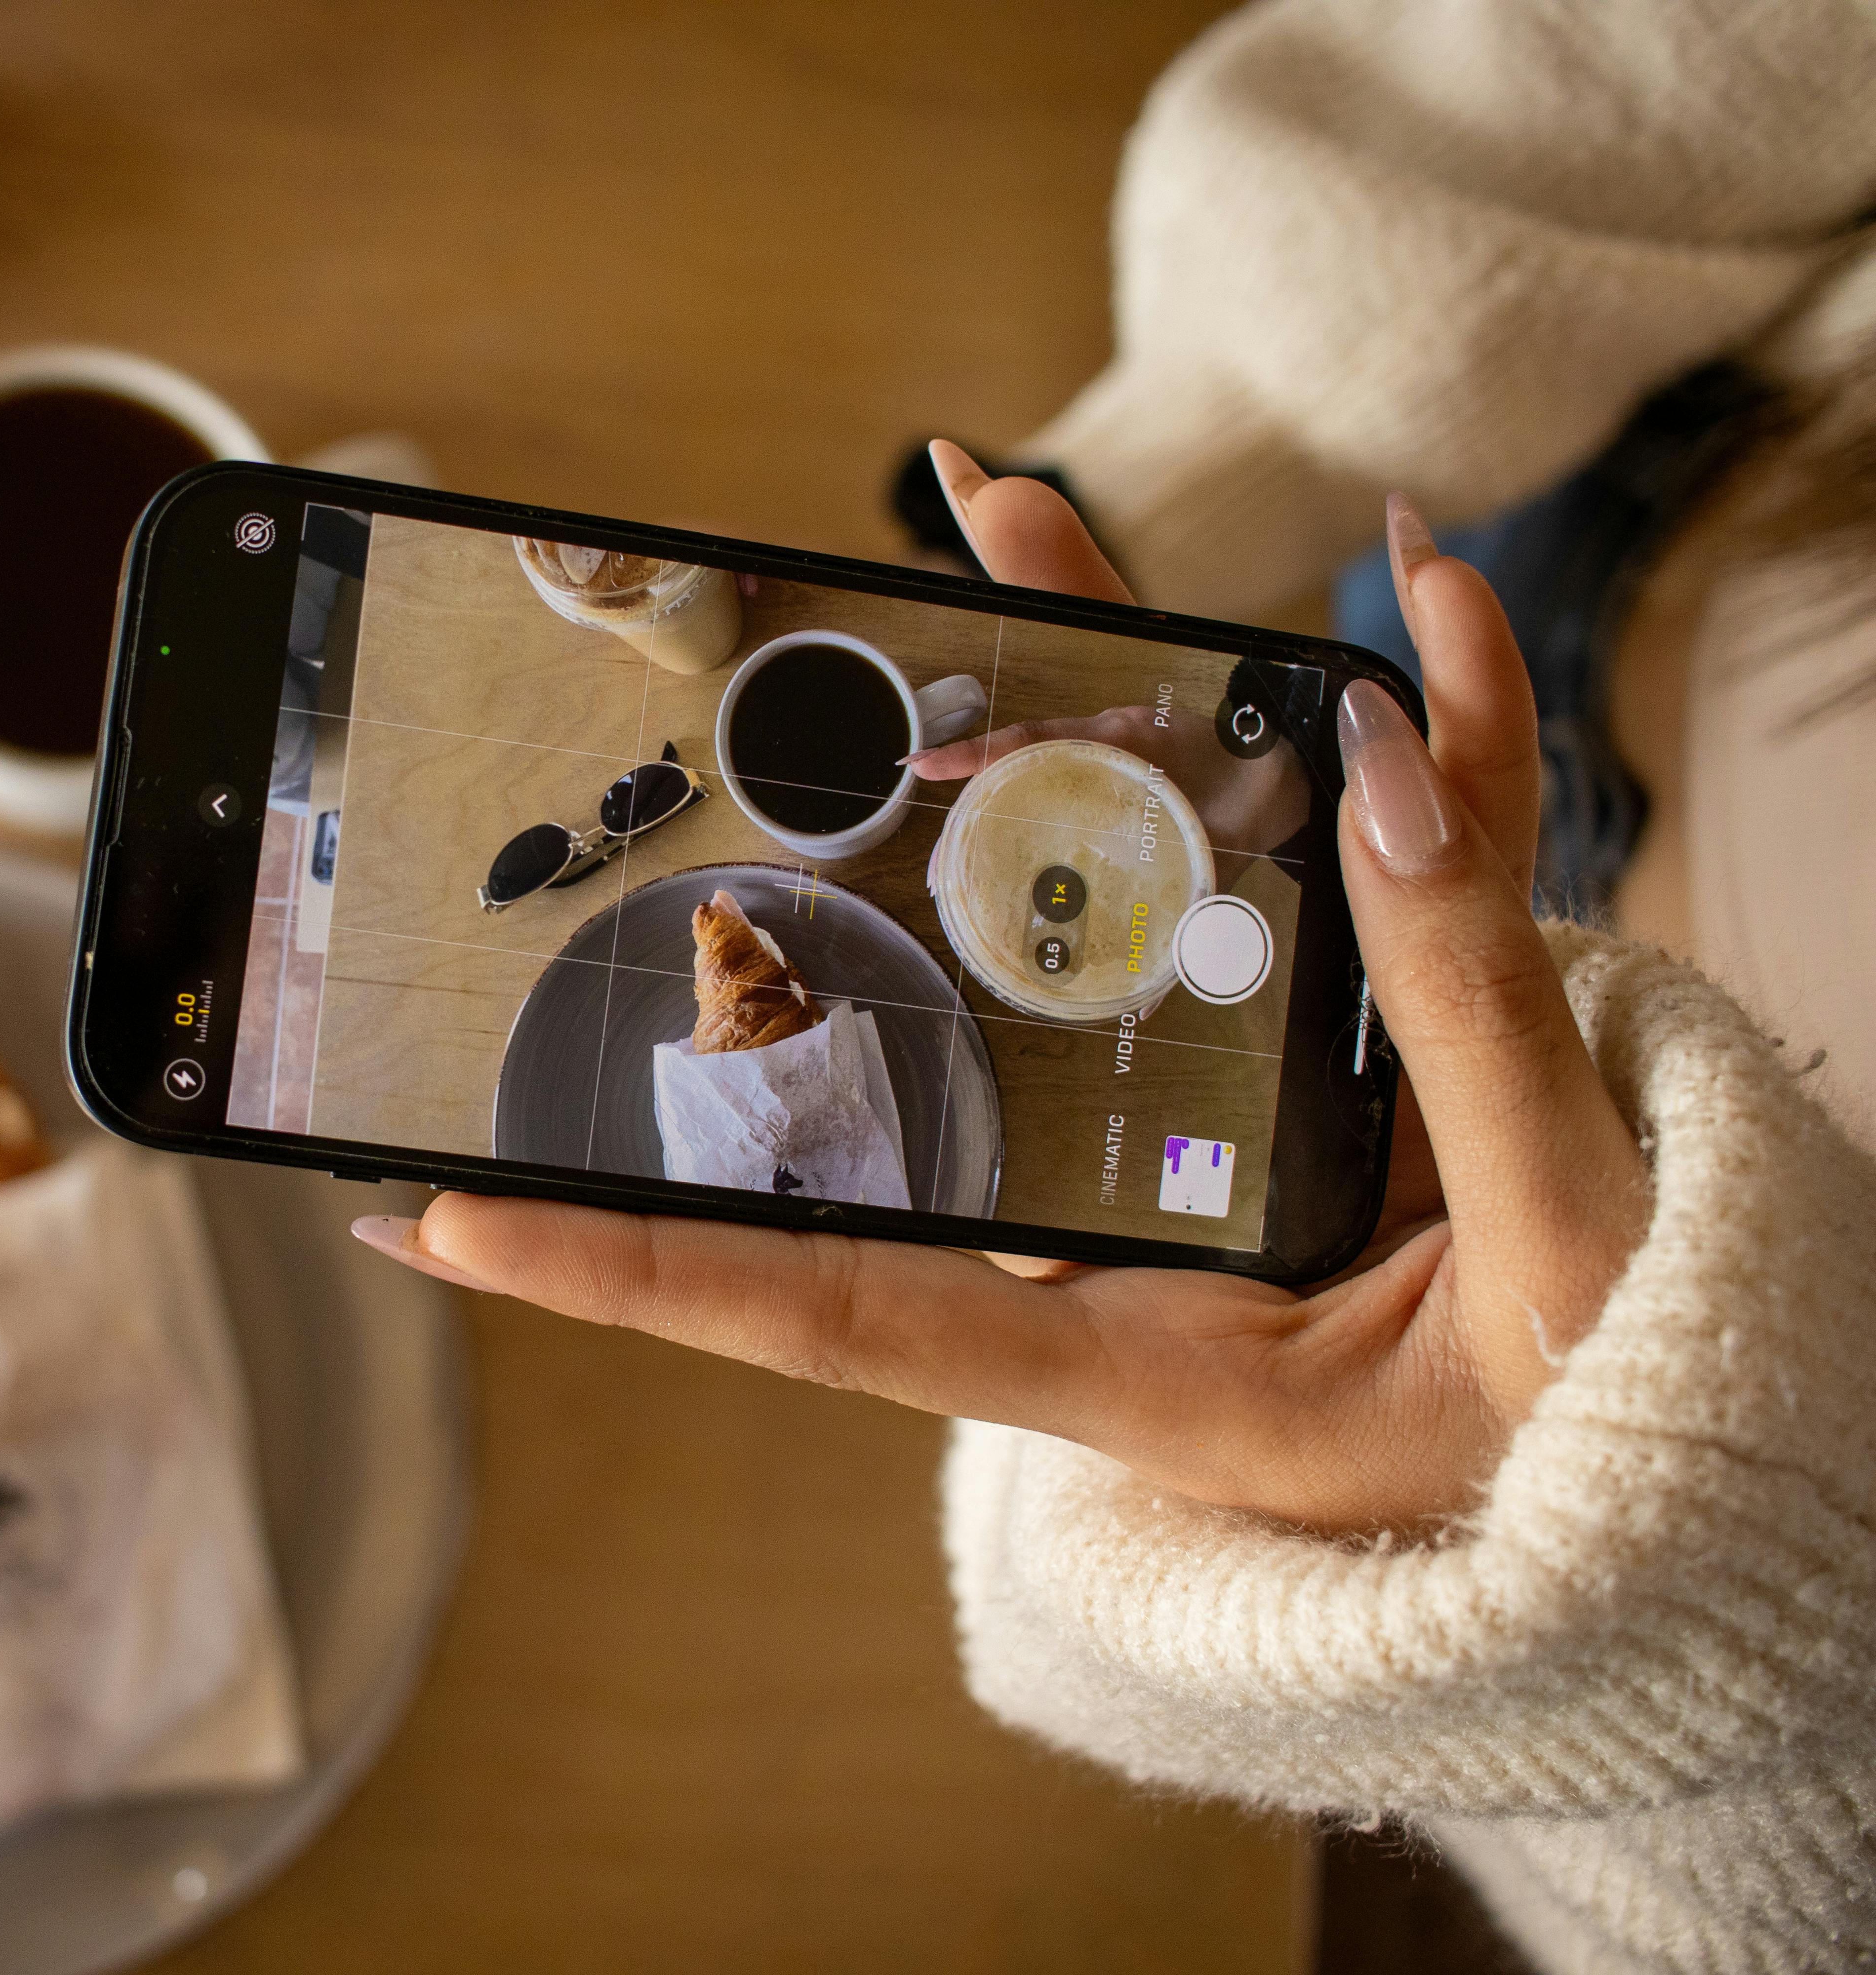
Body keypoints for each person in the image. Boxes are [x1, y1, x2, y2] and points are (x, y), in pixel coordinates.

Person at [354, 4, 1876, 1968]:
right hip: (1589, 491)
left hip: (1406, 1160)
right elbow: (1624, 71)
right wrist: (1222, 453)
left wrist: (1665, 1604)